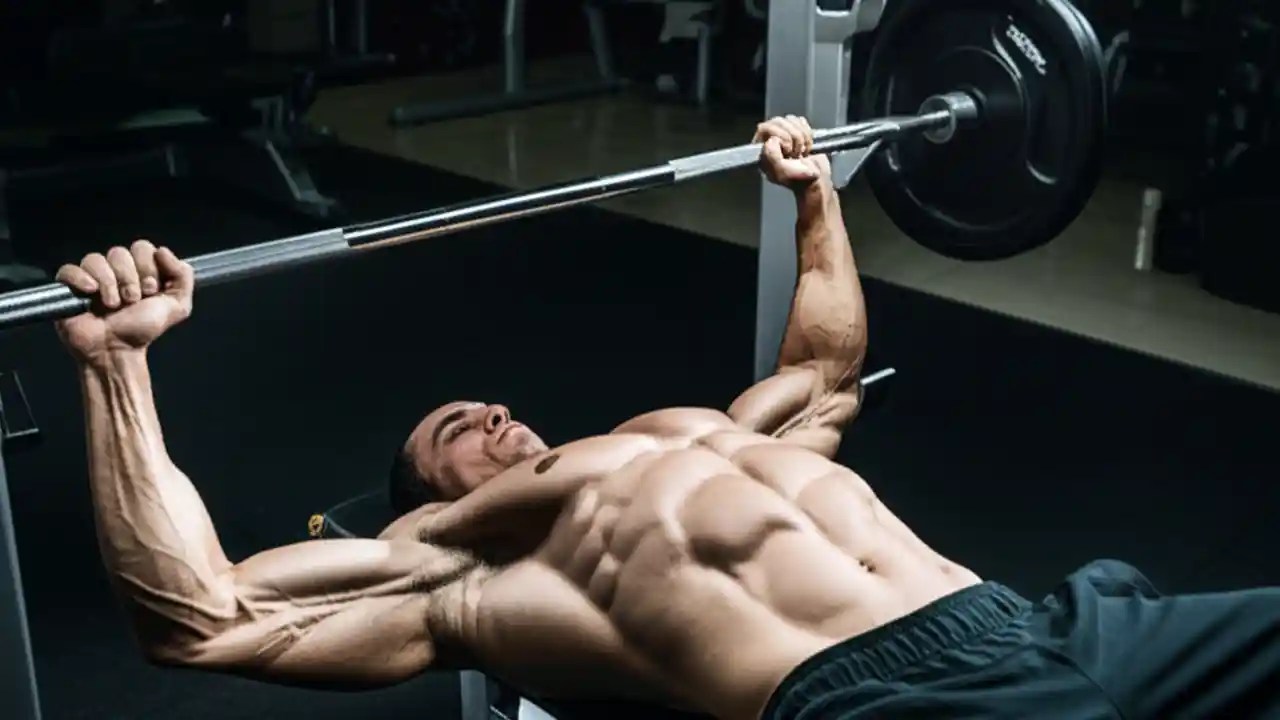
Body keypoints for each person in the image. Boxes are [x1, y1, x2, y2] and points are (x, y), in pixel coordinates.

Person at [57, 116, 1279, 720]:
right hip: (891, 702)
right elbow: (204, 618)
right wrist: (118, 366)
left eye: (486, 403)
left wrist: (812, 198)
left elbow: (826, 371)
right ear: (431, 496)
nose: (489, 413)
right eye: (451, 431)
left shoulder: (699, 432)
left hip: (1042, 619)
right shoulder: (455, 573)